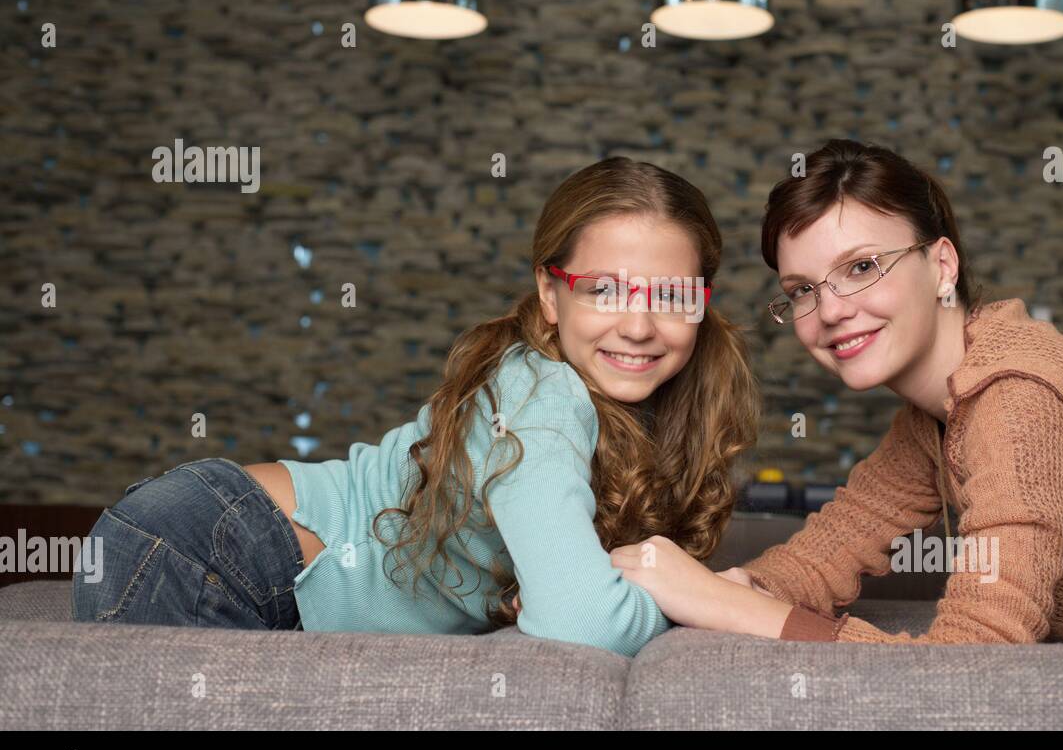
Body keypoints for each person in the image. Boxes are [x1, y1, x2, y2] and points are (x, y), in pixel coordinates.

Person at [613, 138, 1063, 644]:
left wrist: (728, 605)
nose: (829, 309)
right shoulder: (937, 413)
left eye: (860, 267)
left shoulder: (1017, 396)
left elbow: (972, 671)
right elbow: (816, 558)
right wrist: (655, 589)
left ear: (941, 263)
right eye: (802, 291)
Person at [72, 157, 760, 658]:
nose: (639, 325)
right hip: (210, 550)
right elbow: (583, 621)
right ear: (551, 296)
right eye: (604, 289)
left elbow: (565, 588)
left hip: (206, 536)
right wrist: (686, 602)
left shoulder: (654, 404)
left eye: (669, 295)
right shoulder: (543, 396)